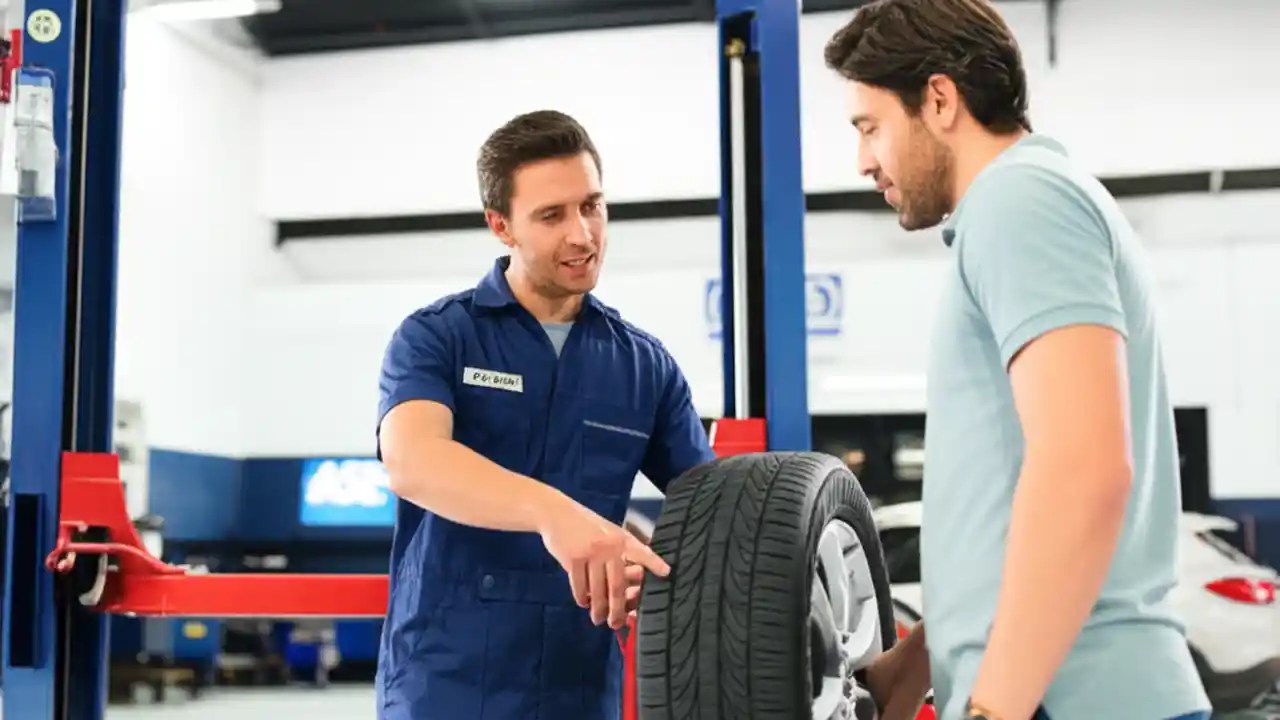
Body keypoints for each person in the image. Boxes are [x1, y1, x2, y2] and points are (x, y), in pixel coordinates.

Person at [823, 2, 1212, 720]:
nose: (862, 160)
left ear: (939, 100)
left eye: (869, 127)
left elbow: (1084, 470)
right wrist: (907, 670)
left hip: (1076, 699)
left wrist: (992, 709)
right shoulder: (1020, 208)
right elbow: (1015, 524)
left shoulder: (1021, 202)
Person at [374, 110, 715, 720]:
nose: (583, 235)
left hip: (579, 692)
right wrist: (555, 513)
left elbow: (714, 509)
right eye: (552, 216)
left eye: (592, 206)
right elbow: (413, 461)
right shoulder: (437, 339)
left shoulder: (644, 367)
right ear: (501, 226)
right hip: (444, 688)